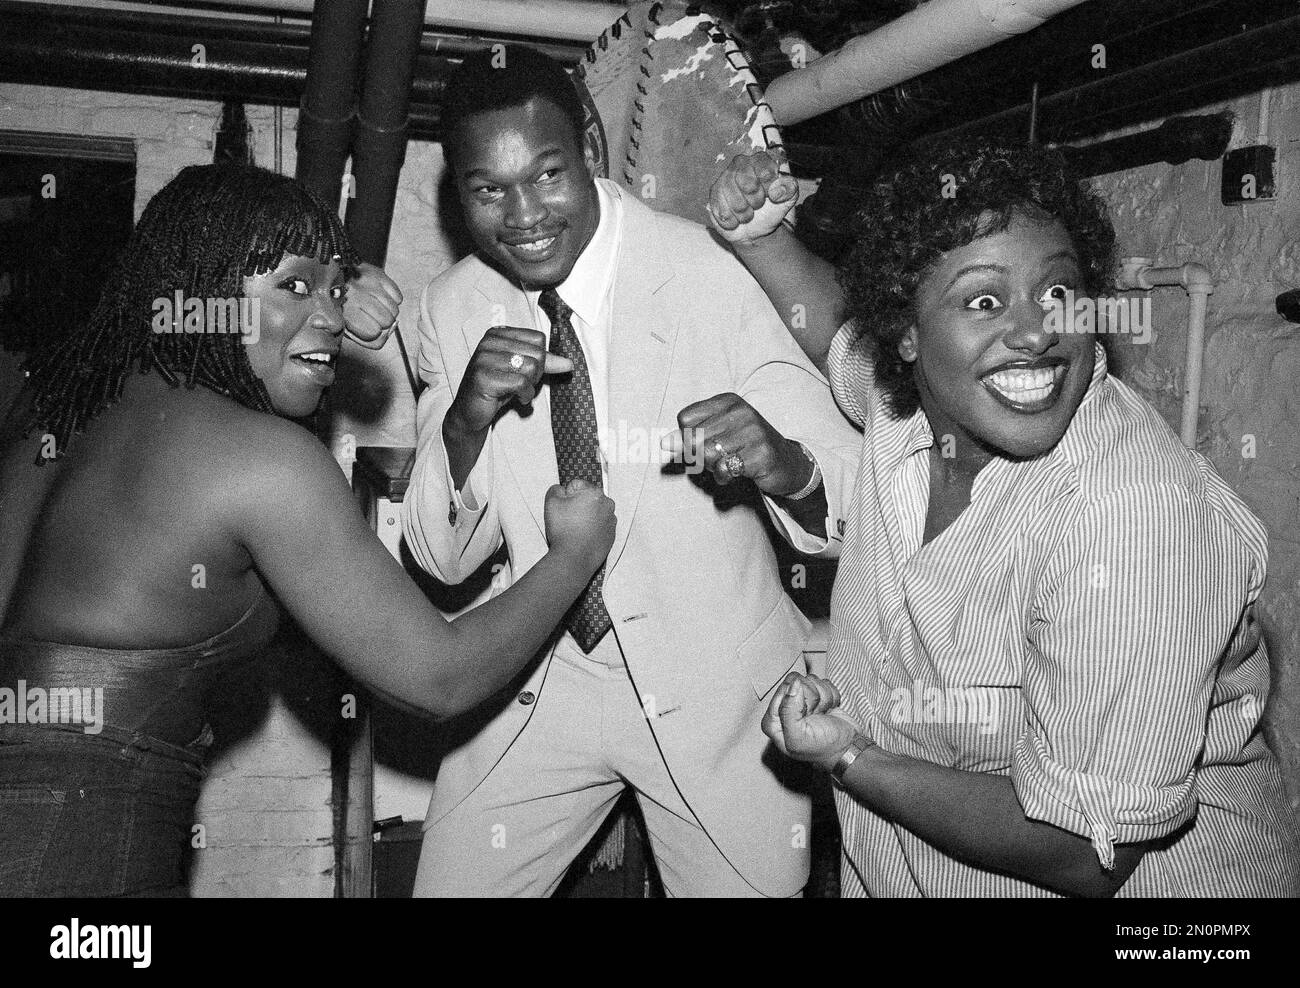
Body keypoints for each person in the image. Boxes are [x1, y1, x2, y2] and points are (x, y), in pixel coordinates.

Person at [0, 162, 615, 897]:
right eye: (293, 286)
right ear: (206, 291)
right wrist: (573, 555)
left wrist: (309, 293)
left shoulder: (54, 414)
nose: (328, 314)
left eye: (335, 287)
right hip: (74, 857)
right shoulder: (262, 461)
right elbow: (441, 677)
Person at [709, 141, 1300, 896]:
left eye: (1060, 293)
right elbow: (834, 325)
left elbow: (1083, 851)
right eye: (984, 300)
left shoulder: (1132, 519)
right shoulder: (909, 404)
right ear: (907, 334)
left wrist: (849, 756)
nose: (1036, 332)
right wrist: (759, 235)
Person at [401, 45, 862, 897]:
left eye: (545, 174)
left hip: (717, 693)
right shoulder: (450, 307)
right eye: (487, 189)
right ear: (456, 191)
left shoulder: (715, 272)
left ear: (589, 148)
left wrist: (784, 463)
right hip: (539, 684)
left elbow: (853, 492)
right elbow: (441, 560)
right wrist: (466, 420)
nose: (523, 215)